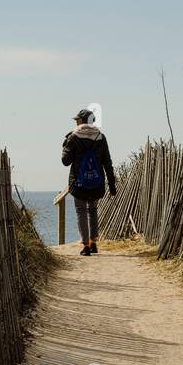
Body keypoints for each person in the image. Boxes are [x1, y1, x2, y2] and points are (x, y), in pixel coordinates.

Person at [61, 107, 116, 255]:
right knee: (92, 210)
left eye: (77, 119)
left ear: (81, 121)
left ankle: (85, 246)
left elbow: (65, 161)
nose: (76, 122)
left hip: (78, 183)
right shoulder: (101, 137)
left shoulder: (73, 137)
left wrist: (66, 143)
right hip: (96, 182)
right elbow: (107, 162)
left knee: (81, 211)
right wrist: (112, 184)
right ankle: (93, 243)